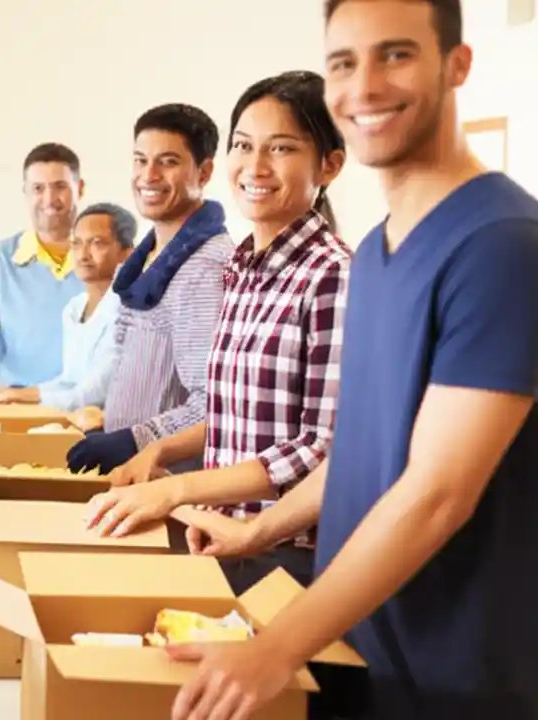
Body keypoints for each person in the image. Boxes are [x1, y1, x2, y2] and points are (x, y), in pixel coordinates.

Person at [171, 2, 538, 718]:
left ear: (457, 67)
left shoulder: (501, 245)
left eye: (395, 55)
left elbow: (437, 493)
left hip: (457, 680)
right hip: (359, 647)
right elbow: (365, 454)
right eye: (344, 62)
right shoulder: (378, 253)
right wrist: (254, 531)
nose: (363, 86)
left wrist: (275, 647)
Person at [86, 72, 349, 598]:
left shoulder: (332, 275)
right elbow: (235, 414)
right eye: (244, 146)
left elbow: (323, 447)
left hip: (286, 550)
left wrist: (182, 487)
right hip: (217, 536)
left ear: (330, 164)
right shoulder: (242, 268)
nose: (256, 167)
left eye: (281, 148)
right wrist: (159, 455)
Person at [64, 105, 231, 474]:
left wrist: (133, 438)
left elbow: (214, 404)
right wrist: (107, 419)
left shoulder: (203, 268)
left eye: (168, 161)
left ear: (203, 172)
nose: (148, 176)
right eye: (140, 160)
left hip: (171, 484)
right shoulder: (145, 258)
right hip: (132, 477)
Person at [0, 143, 86, 393]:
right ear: (25, 192)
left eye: (60, 187)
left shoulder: (110, 257)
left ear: (80, 189)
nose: (49, 198)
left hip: (86, 406)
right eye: (38, 188)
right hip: (12, 402)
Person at [0, 203, 136, 409]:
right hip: (75, 417)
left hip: (109, 424)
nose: (83, 254)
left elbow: (95, 393)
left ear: (128, 253)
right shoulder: (75, 308)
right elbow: (69, 381)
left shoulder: (129, 310)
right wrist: (15, 393)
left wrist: (27, 398)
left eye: (96, 243)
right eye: (77, 244)